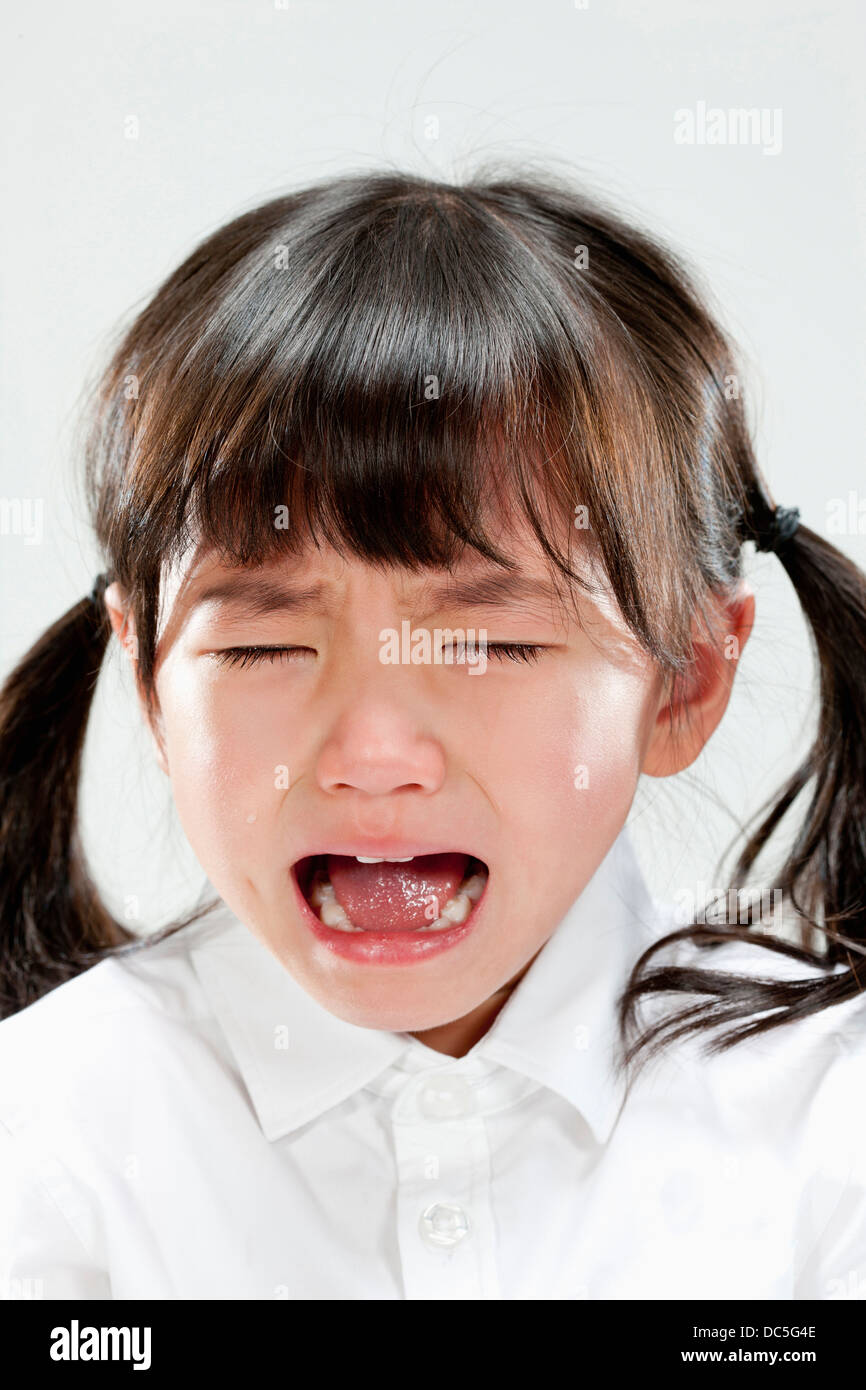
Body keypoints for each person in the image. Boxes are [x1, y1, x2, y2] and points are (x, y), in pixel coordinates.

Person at [1, 167, 864, 1300]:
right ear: (151, 684)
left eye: (492, 643)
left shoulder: (827, 1123)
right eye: (264, 646)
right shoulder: (48, 1140)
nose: (371, 757)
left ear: (683, 681)